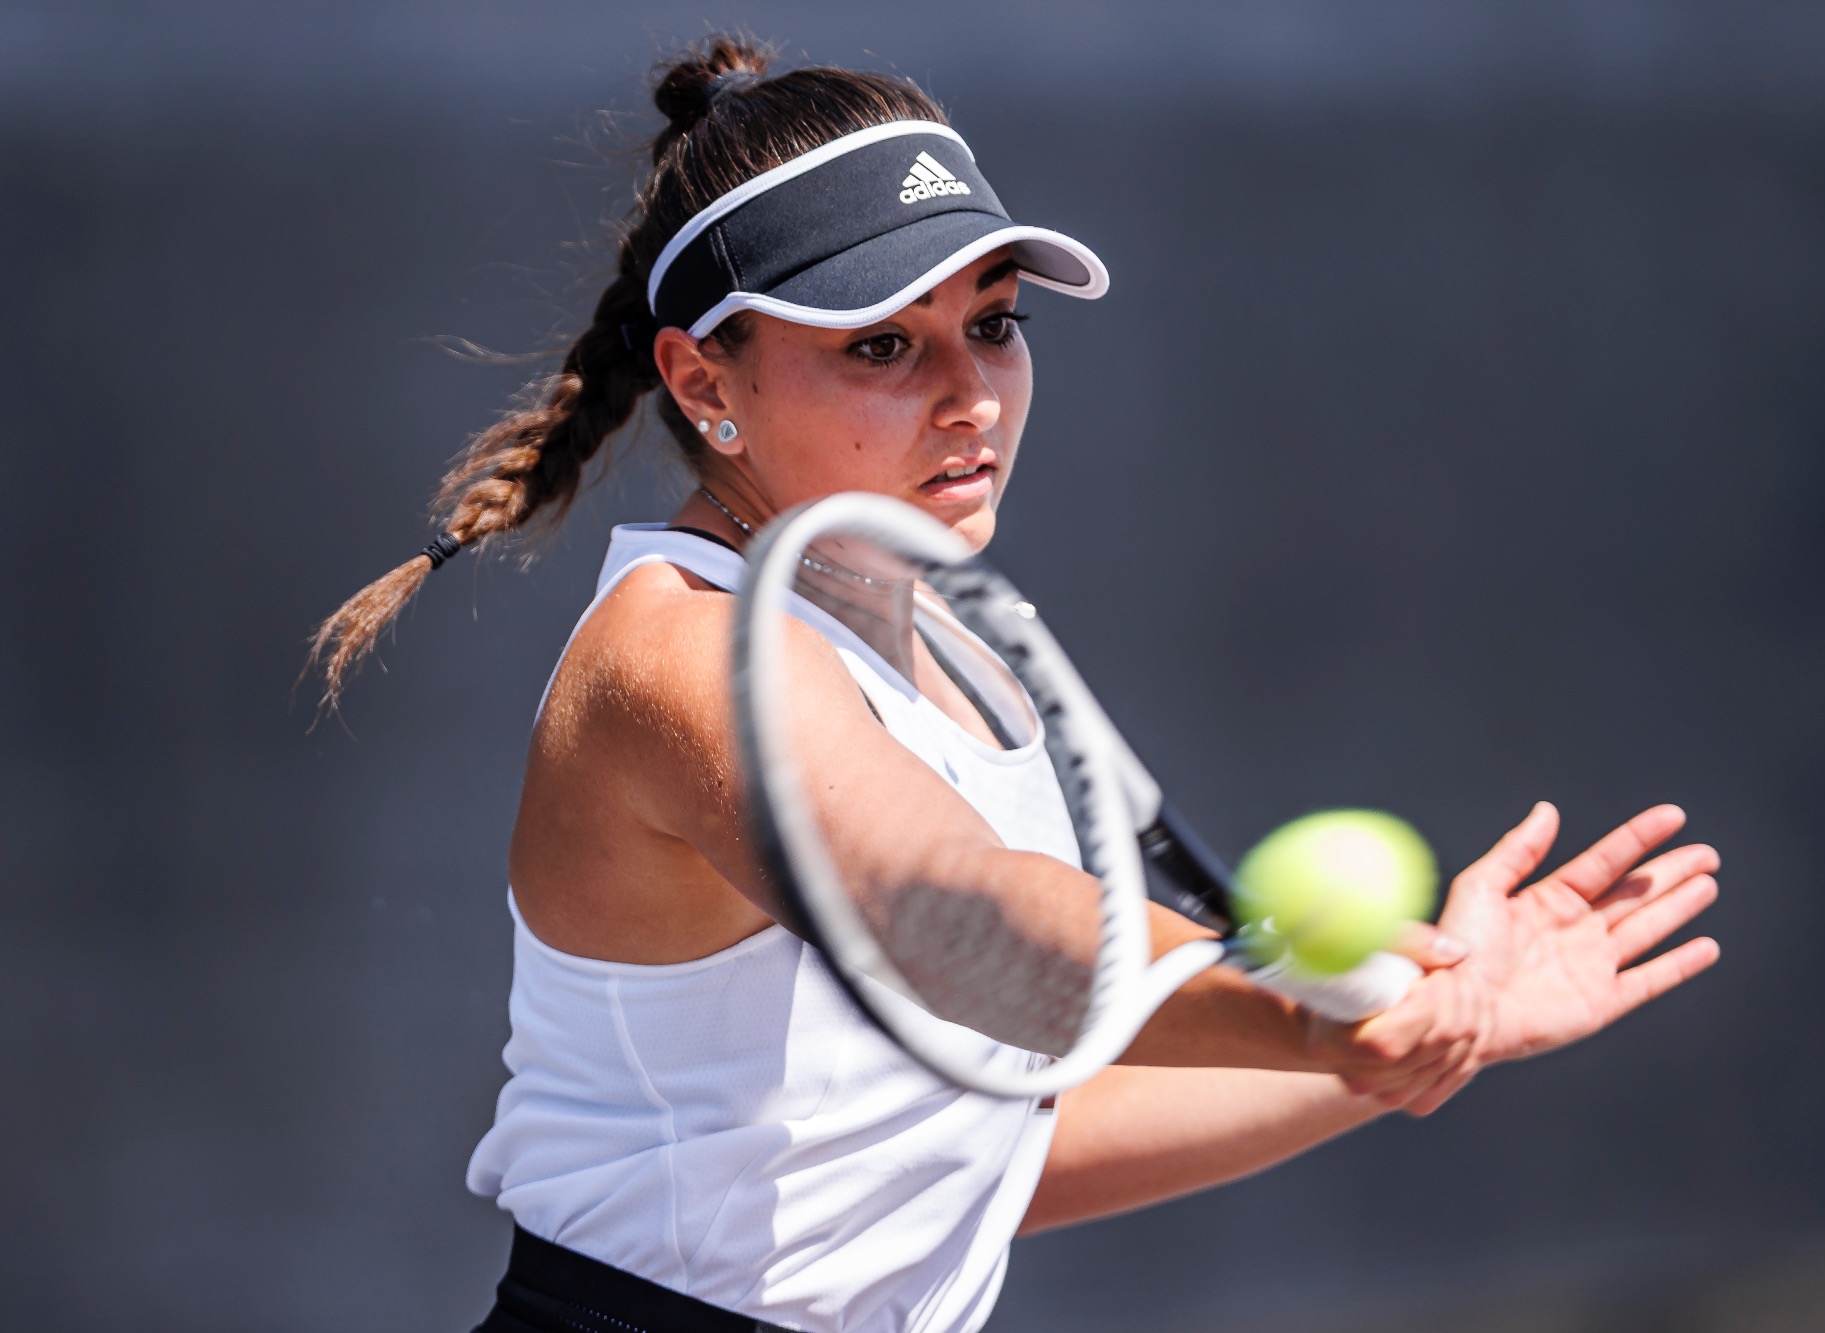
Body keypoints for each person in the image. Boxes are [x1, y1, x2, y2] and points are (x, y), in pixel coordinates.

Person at [310, 36, 1721, 1333]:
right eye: (880, 343)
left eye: (993, 324)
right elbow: (954, 920)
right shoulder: (676, 654)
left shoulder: (960, 653)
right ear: (702, 380)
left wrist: (1388, 1044)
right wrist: (1308, 999)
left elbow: (983, 1151)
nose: (969, 394)